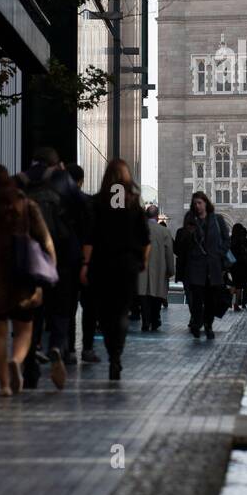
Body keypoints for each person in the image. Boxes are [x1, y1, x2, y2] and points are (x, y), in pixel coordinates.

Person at [0, 165, 56, 396]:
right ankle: (17, 361)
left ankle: (4, 386)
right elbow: (46, 241)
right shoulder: (28, 206)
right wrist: (50, 268)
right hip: (24, 278)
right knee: (24, 330)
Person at [22, 148, 91, 388]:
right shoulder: (63, 181)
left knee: (32, 313)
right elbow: (86, 208)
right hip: (64, 257)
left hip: (32, 257)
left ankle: (30, 366)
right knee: (62, 310)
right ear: (58, 164)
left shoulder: (24, 180)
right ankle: (56, 346)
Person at [88, 159, 150, 379]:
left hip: (101, 265)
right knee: (121, 312)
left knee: (105, 315)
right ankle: (116, 356)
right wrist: (142, 261)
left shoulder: (96, 203)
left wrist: (85, 265)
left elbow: (90, 238)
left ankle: (110, 352)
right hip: (126, 265)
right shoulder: (133, 204)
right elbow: (145, 239)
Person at [179, 192, 230, 340]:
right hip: (196, 266)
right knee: (196, 299)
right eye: (195, 203)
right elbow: (184, 244)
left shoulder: (217, 220)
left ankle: (208, 325)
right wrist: (189, 233)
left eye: (200, 203)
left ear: (206, 203)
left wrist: (219, 253)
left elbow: (227, 240)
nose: (197, 206)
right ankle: (196, 322)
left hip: (213, 267)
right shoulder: (191, 220)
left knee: (210, 300)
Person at [66, 163, 99, 363]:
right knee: (89, 307)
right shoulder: (89, 203)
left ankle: (68, 348)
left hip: (65, 261)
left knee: (67, 308)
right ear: (82, 181)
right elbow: (92, 236)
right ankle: (87, 348)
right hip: (87, 262)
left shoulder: (58, 202)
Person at [138, 204, 174, 332]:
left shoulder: (138, 230)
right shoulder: (164, 231)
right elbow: (169, 253)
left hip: (141, 270)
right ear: (158, 217)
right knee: (156, 297)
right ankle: (155, 319)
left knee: (144, 297)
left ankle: (146, 321)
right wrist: (170, 270)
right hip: (159, 271)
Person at [229, 223, 247, 311]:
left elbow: (227, 251)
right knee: (239, 285)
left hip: (232, 265)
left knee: (234, 283)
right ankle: (236, 303)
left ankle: (230, 301)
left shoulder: (230, 239)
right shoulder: (240, 241)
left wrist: (231, 262)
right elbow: (243, 253)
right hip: (240, 265)